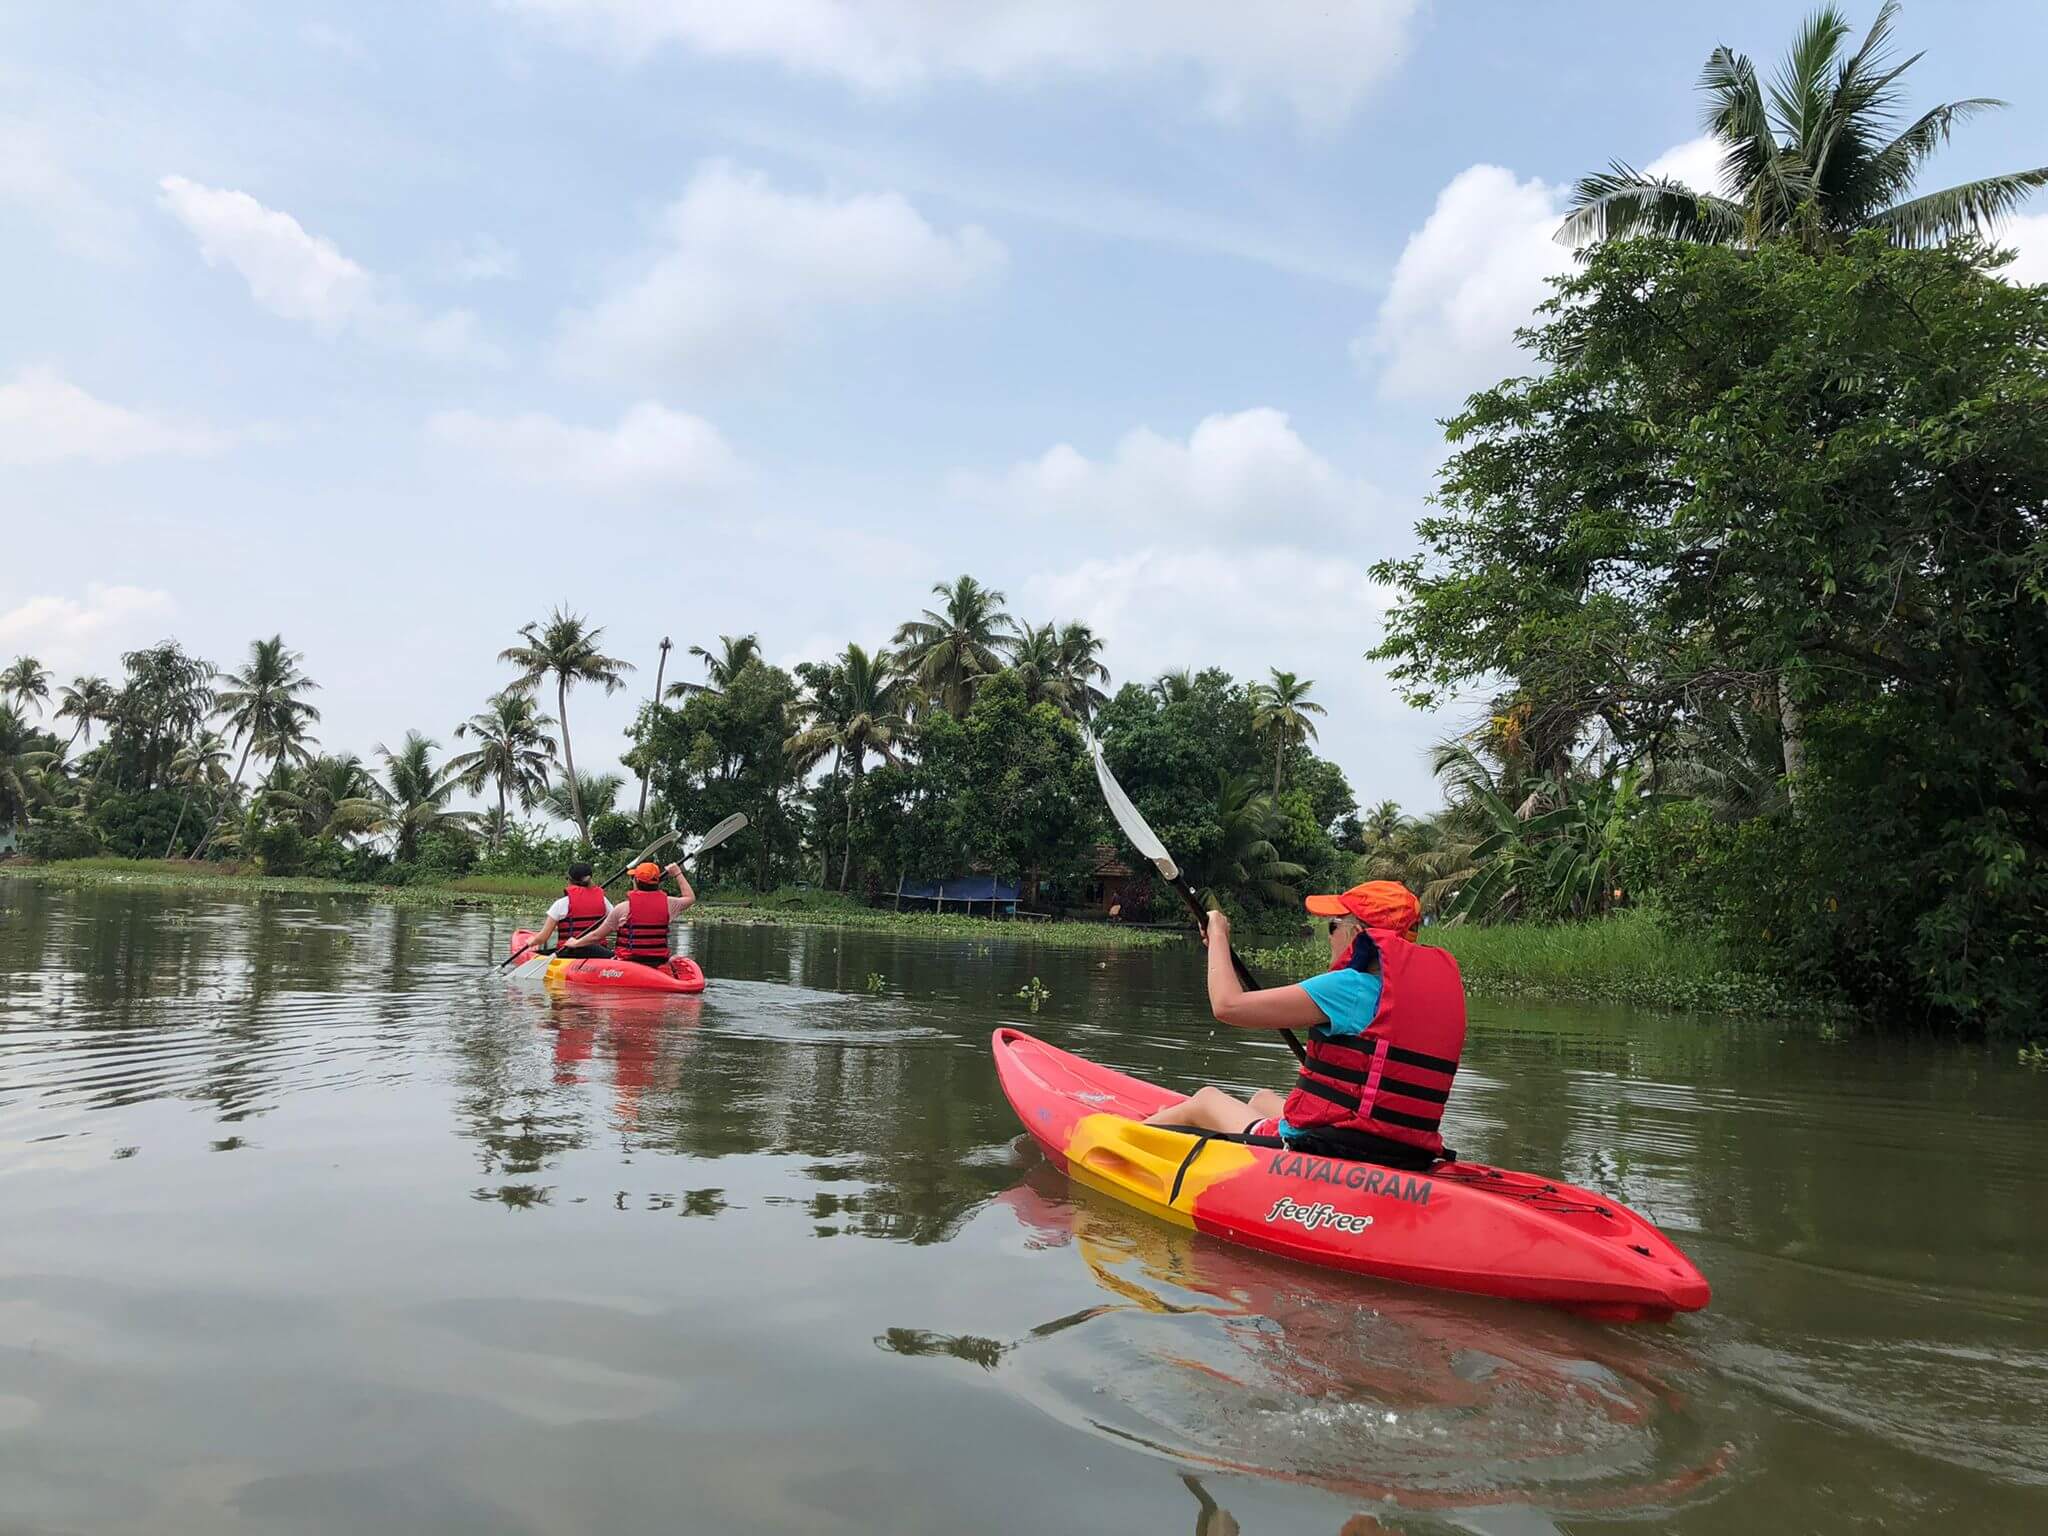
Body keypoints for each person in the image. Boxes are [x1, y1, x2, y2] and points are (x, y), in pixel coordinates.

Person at [1141, 880, 1466, 1170]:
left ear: (1356, 933)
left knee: (1206, 1100)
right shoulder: (1422, 998)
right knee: (1263, 1098)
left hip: (1337, 1149)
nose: (1330, 937)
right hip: (1403, 1150)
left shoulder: (1349, 987)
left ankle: (1125, 1137)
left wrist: (1217, 935)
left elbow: (1227, 1006)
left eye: (1332, 927)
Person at [582, 859, 697, 968]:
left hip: (628, 961)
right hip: (658, 961)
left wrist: (575, 943)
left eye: (633, 878)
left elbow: (596, 936)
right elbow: (690, 898)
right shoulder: (669, 904)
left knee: (585, 946)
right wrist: (677, 873)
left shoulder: (623, 908)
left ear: (636, 881)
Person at [528, 861, 615, 959]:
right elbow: (615, 924)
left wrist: (531, 941)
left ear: (570, 880)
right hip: (599, 953)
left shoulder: (561, 904)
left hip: (570, 954)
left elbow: (543, 938)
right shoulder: (604, 900)